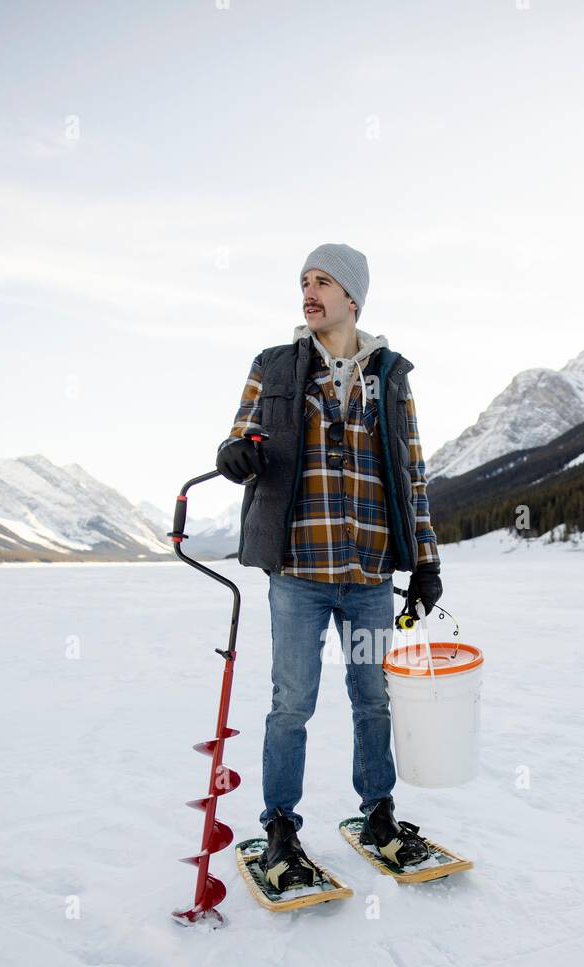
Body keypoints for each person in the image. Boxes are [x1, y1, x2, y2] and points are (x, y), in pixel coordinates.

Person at [215, 242, 443, 891]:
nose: (309, 293)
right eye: (303, 282)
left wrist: (423, 562)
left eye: (322, 282)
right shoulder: (275, 366)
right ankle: (281, 825)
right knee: (292, 703)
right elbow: (241, 434)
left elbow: (413, 477)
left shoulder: (389, 378)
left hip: (369, 575)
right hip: (297, 573)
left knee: (373, 699)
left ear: (352, 297)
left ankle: (377, 813)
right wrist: (236, 453)